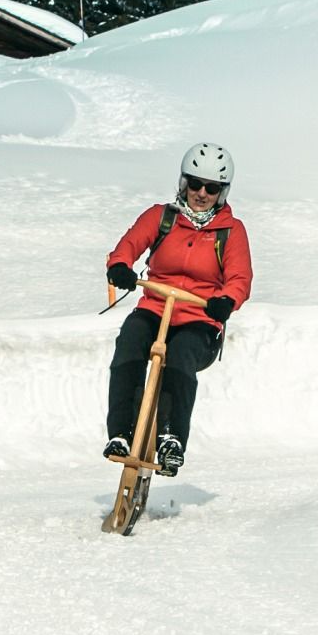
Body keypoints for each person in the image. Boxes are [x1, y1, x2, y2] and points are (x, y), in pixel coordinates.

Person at [102, 141, 254, 477]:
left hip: (199, 319)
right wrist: (120, 266)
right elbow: (127, 246)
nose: (202, 193)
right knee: (130, 341)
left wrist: (226, 301)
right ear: (183, 182)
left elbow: (240, 277)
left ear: (222, 192)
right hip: (155, 308)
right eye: (195, 183)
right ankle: (121, 434)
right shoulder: (161, 217)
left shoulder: (231, 231)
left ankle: (171, 438)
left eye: (211, 188)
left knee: (181, 353)